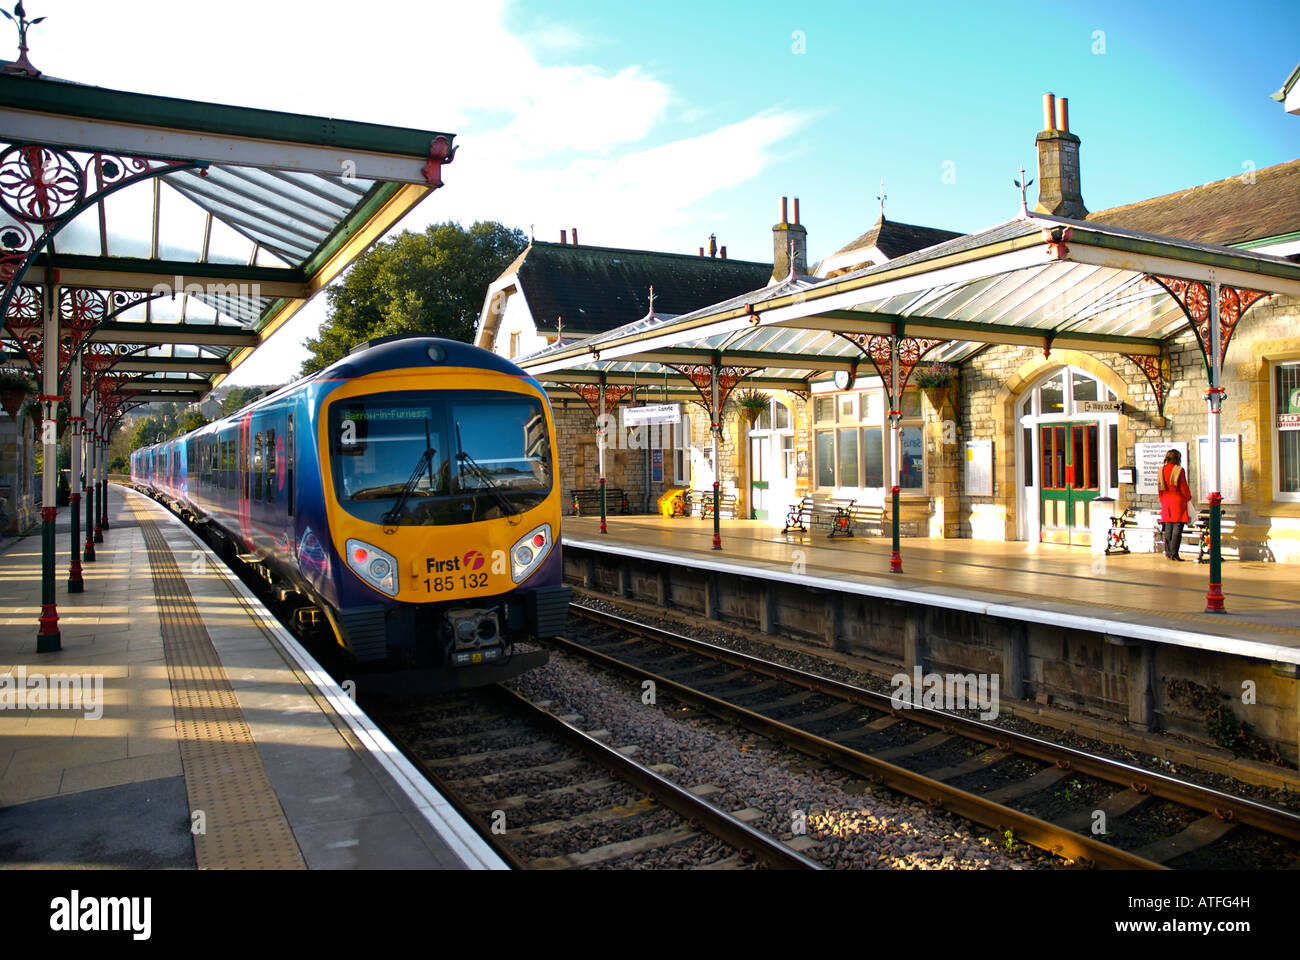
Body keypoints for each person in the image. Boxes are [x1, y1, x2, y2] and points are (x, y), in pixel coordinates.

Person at [1158, 449, 1193, 561]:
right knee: (1177, 528)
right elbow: (1183, 487)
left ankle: (1168, 552)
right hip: (1178, 501)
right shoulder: (1179, 470)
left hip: (1166, 501)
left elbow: (1160, 488)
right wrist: (1188, 497)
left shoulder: (1161, 470)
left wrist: (1162, 500)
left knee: (1168, 528)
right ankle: (1174, 553)